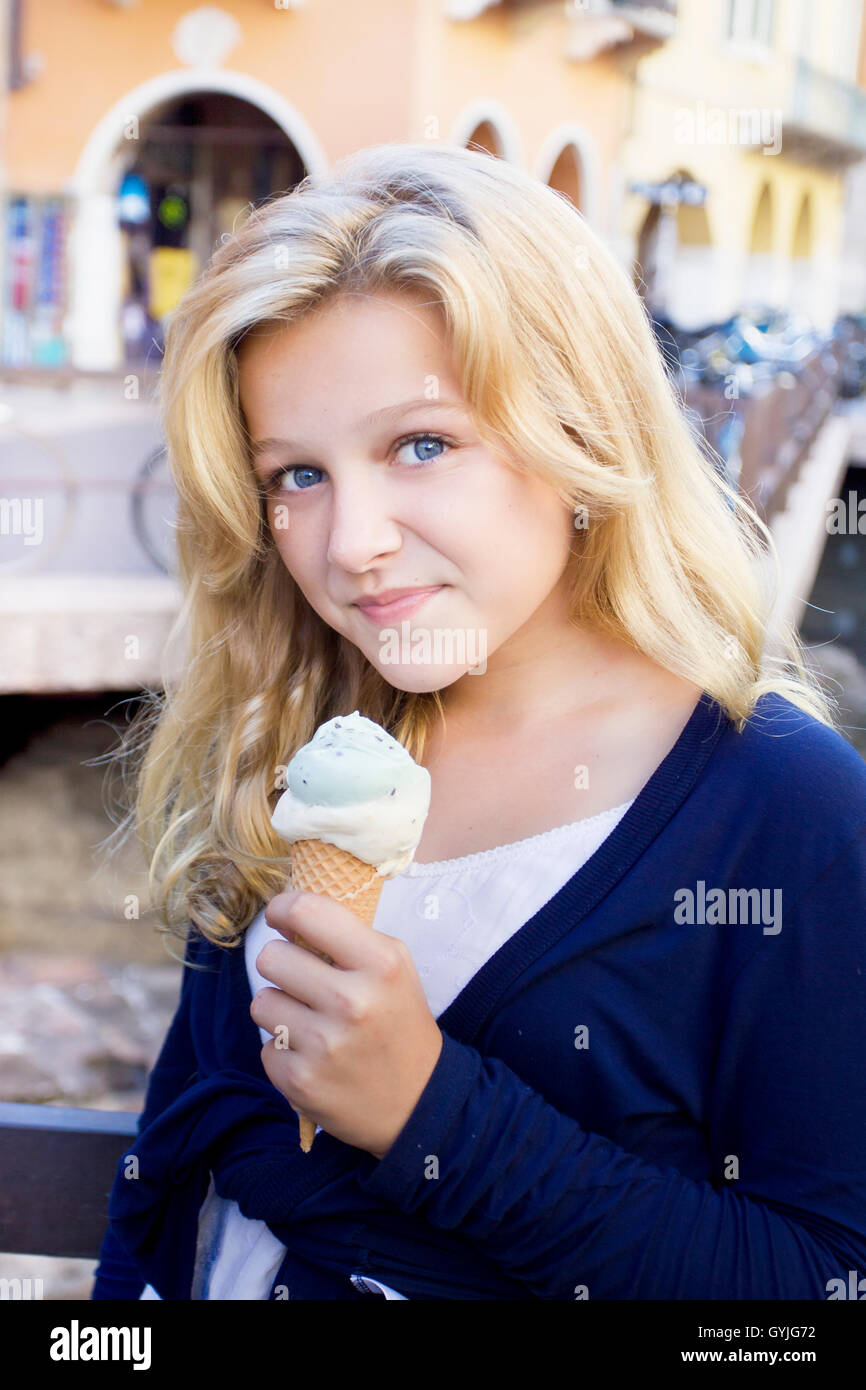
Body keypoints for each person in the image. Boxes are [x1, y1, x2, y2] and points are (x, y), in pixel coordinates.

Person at [91, 142, 866, 1301]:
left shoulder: (786, 814)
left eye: (421, 445)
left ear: (582, 435)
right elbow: (177, 1149)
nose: (348, 541)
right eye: (294, 474)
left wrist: (428, 1111)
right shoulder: (294, 740)